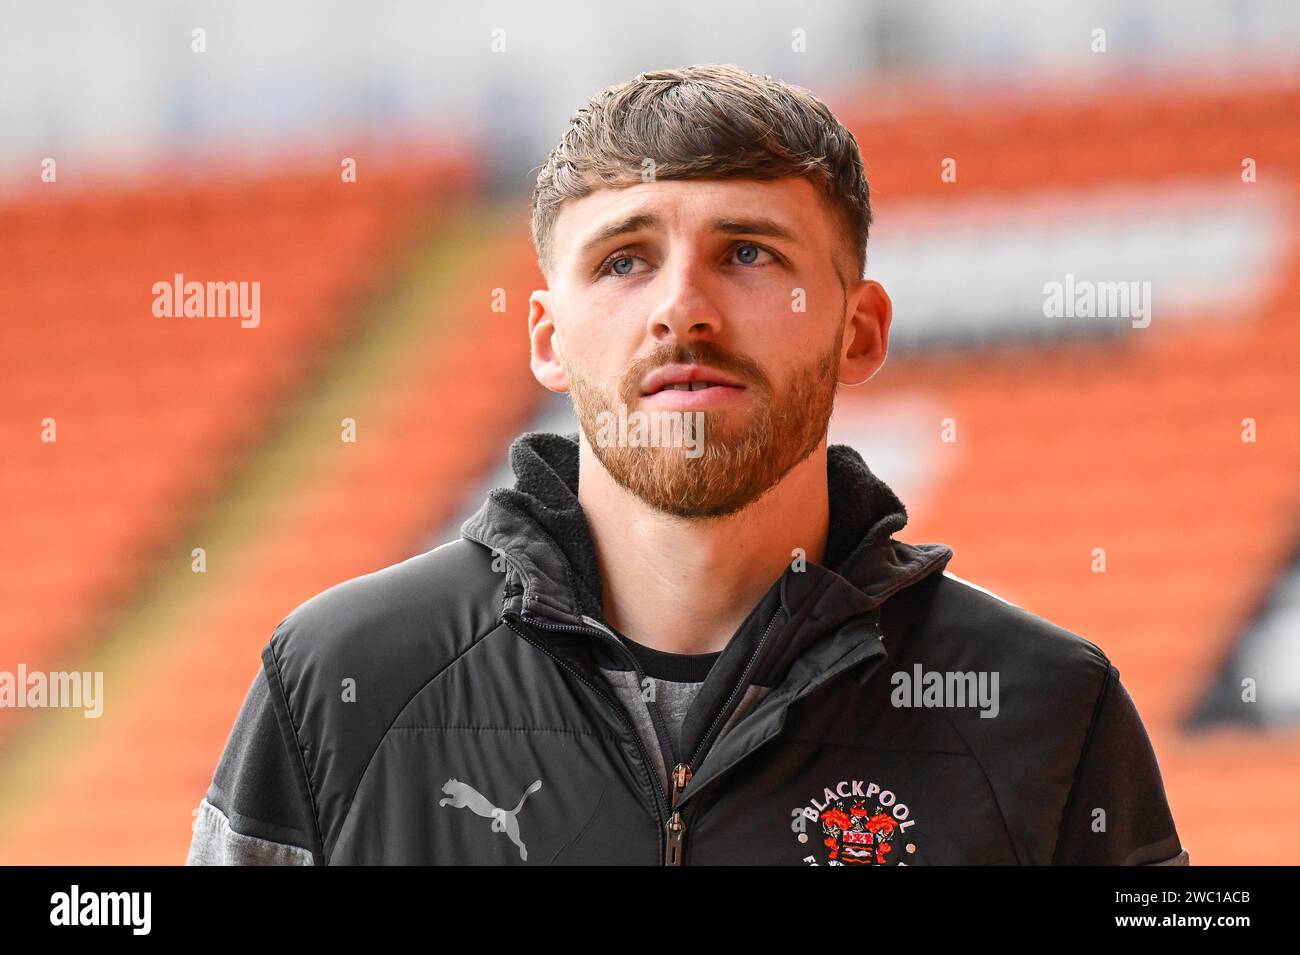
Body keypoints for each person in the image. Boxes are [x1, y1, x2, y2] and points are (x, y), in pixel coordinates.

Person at [188, 63, 1187, 866]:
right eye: (623, 260)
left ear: (859, 329)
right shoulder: (340, 681)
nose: (682, 309)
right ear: (547, 337)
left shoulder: (1045, 710)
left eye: (747, 253)